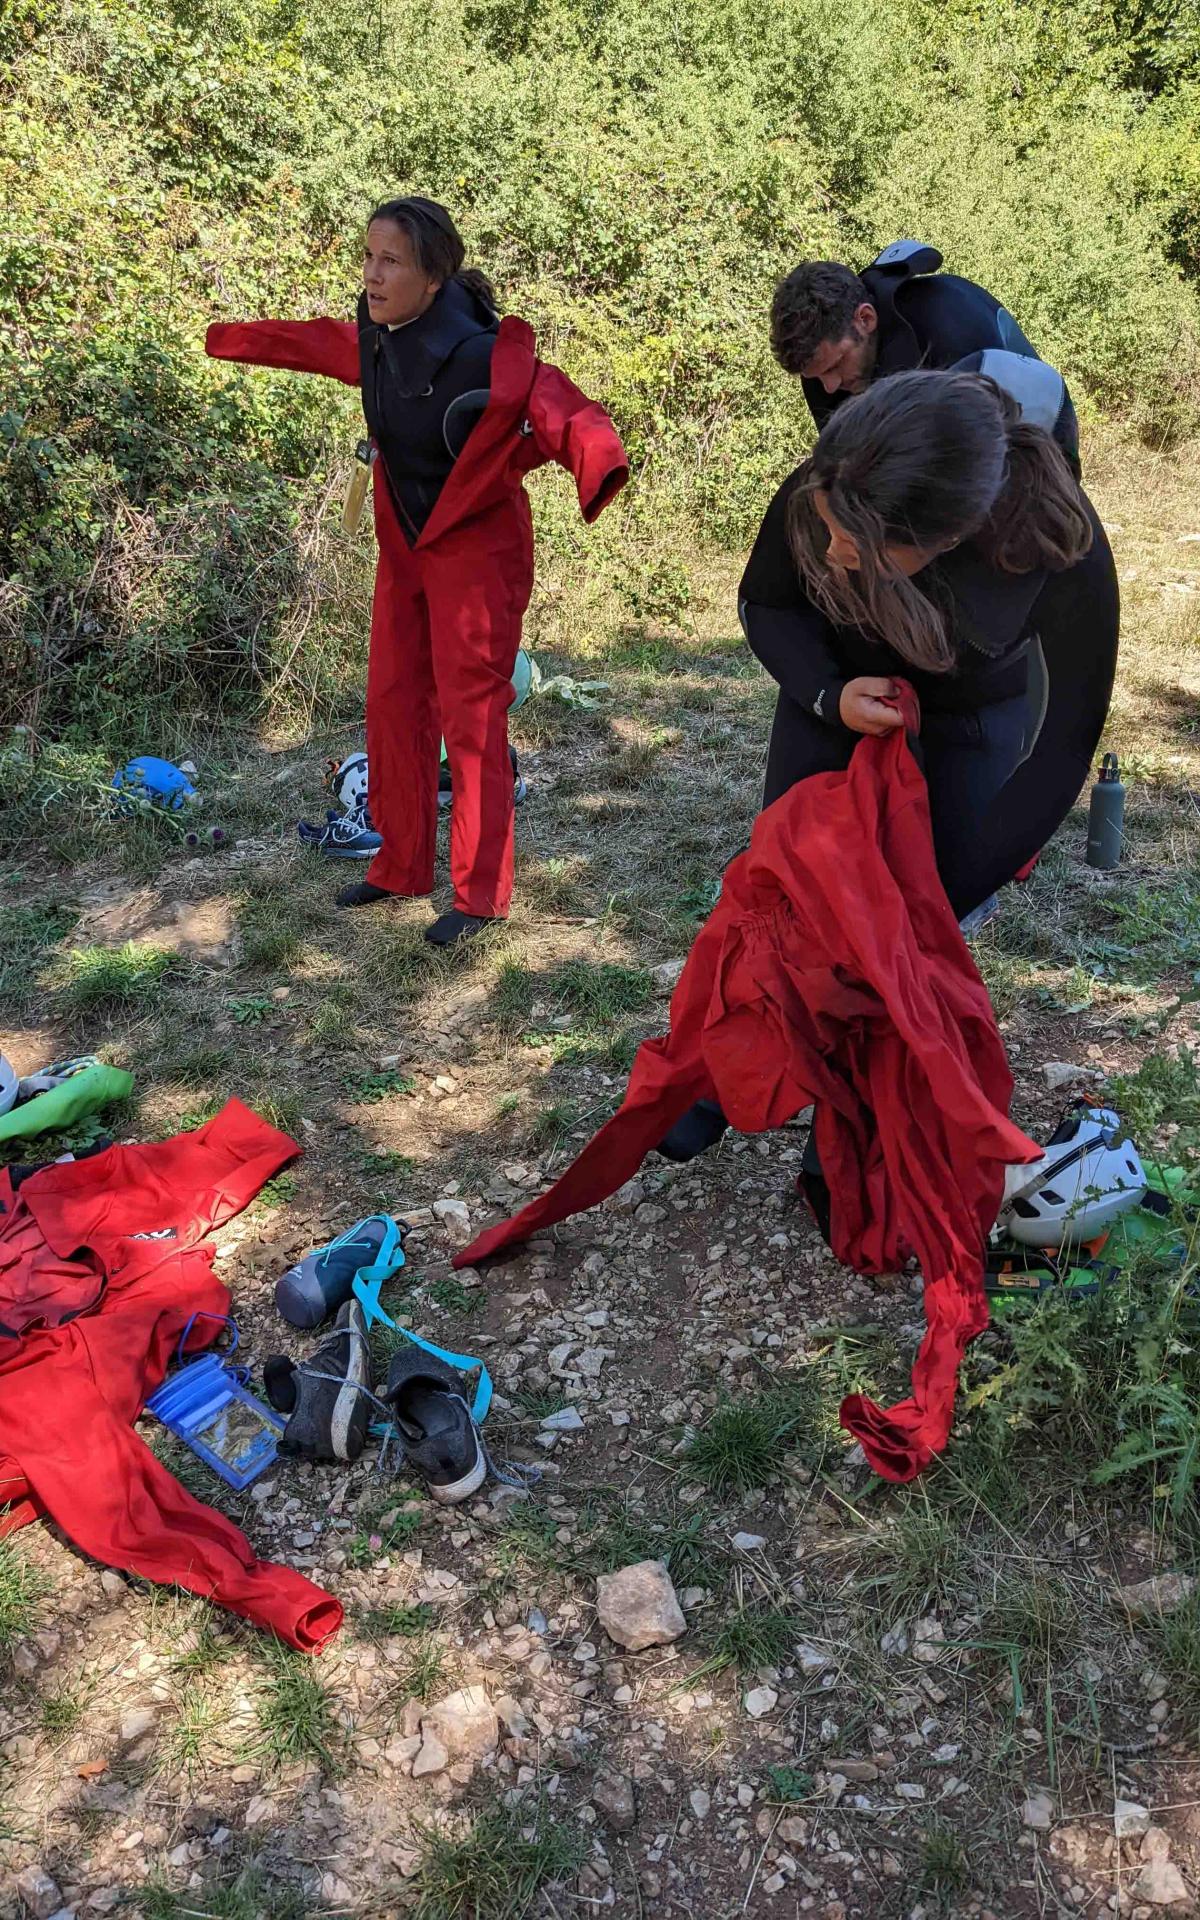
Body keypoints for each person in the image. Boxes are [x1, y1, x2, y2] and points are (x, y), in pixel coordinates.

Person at [660, 362, 1118, 1164]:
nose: (833, 553)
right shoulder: (833, 479)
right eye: (829, 528)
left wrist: (942, 898)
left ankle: (848, 1122)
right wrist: (827, 698)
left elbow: (1065, 743)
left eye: (855, 543)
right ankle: (719, 1076)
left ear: (943, 537)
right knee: (788, 900)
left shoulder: (1055, 547)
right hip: (838, 695)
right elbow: (765, 602)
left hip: (971, 718)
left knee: (895, 942)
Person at [206, 196, 628, 946]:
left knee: (472, 718)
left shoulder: (484, 352)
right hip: (404, 545)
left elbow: (566, 408)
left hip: (478, 550)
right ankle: (400, 864)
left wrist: (599, 466)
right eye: (367, 256)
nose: (371, 274)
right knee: (395, 698)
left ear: (433, 276)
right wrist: (227, 339)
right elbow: (317, 343)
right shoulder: (376, 339)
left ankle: (482, 893)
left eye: (390, 260)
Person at [771, 243, 1080, 473]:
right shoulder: (822, 369)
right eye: (816, 376)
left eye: (836, 365)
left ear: (865, 319)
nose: (829, 386)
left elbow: (993, 455)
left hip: (1034, 429)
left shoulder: (950, 321)